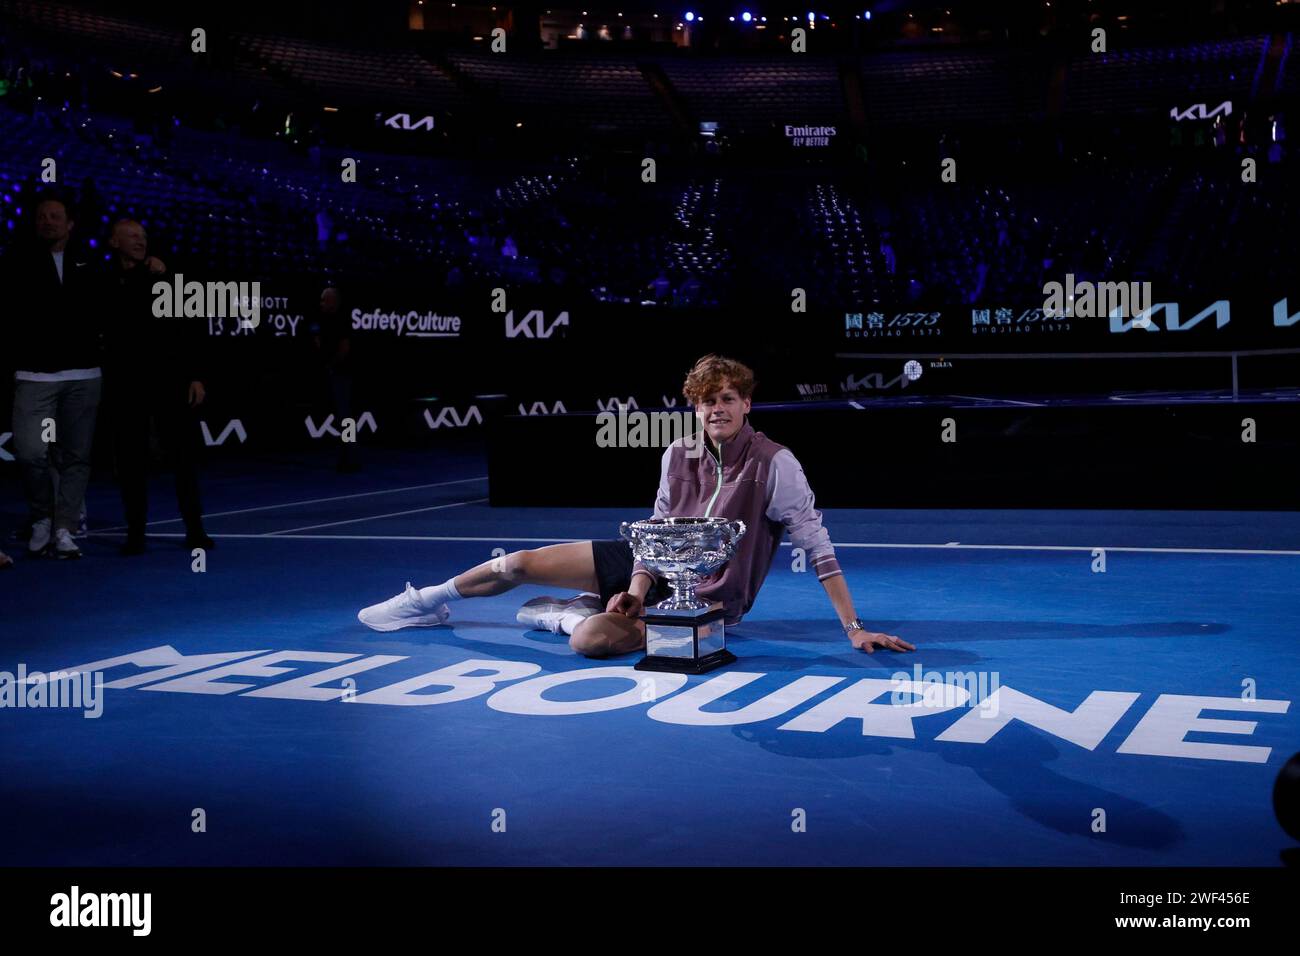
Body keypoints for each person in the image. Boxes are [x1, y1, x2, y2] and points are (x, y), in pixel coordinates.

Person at [358, 354, 914, 657]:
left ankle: (563, 614)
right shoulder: (678, 453)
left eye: (726, 399)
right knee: (517, 563)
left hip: (711, 601)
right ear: (693, 408)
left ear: (746, 403)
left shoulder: (777, 464)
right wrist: (637, 588)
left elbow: (818, 550)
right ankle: (426, 601)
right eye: (705, 401)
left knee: (591, 640)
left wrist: (854, 629)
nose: (716, 408)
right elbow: (655, 531)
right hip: (650, 570)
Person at [102, 218, 213, 555]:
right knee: (132, 462)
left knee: (182, 460)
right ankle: (136, 532)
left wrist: (195, 374)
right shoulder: (104, 279)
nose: (140, 241)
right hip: (126, 385)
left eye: (144, 237)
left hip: (170, 381)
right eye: (132, 236)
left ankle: (195, 529)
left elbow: (191, 327)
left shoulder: (168, 276)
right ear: (113, 242)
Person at [3, 195, 102, 559]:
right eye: (41, 216)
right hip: (34, 376)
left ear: (70, 223)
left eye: (55, 216)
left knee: (76, 456)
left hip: (84, 375)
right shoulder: (15, 261)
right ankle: (42, 517)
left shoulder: (91, 262)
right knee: (30, 452)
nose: (47, 221)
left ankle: (65, 527)